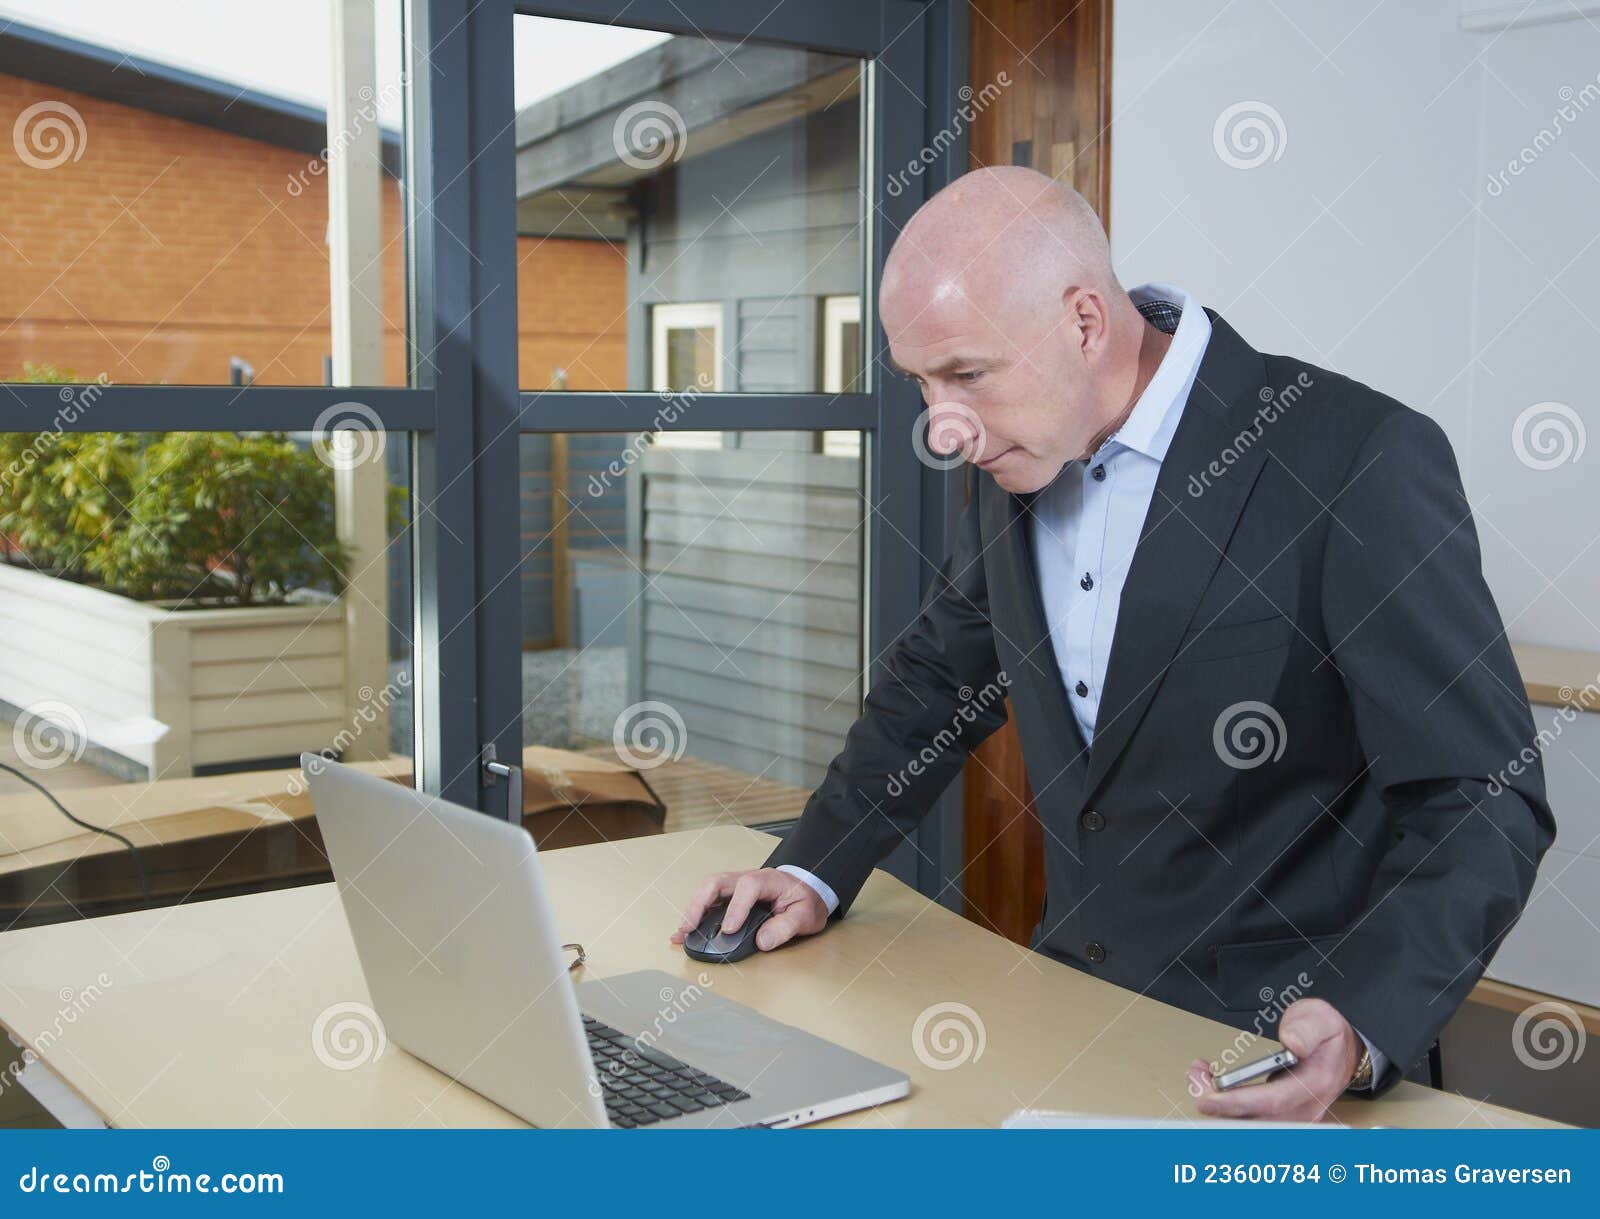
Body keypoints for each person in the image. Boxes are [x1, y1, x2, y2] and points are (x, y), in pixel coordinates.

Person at [670, 165, 1554, 1121]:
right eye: (923, 382)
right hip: (1067, 1022)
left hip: (1285, 1056)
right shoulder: (1020, 441)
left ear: (1085, 323)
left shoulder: (1356, 457)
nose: (946, 426)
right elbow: (937, 680)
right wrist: (809, 866)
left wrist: (1363, 1016)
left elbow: (1481, 794)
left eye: (965, 373)